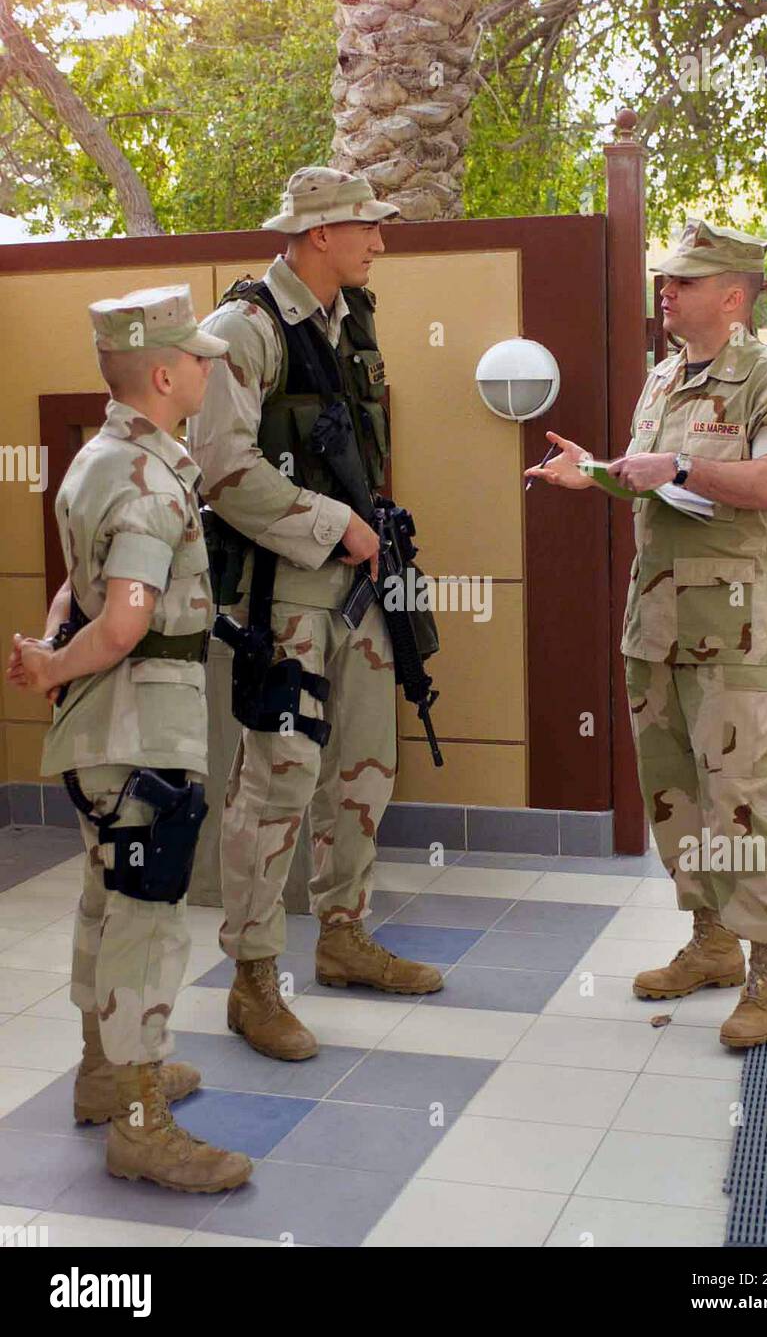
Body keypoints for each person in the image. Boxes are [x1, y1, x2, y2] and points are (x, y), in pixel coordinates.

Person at [525, 219, 767, 1049]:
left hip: (727, 631)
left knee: (738, 801)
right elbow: (651, 484)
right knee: (676, 797)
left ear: (731, 296)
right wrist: (601, 475)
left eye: (683, 282)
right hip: (652, 624)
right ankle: (712, 943)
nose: (666, 292)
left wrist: (683, 468)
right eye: (666, 280)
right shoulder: (662, 379)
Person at [189, 166, 443, 1063]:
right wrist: (336, 526)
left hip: (358, 593)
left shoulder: (351, 320)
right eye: (367, 228)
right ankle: (253, 981)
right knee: (276, 781)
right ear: (320, 233)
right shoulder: (242, 329)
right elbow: (219, 470)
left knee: (364, 766)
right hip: (282, 595)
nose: (380, 240)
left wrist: (373, 530)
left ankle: (343, 935)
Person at [6, 285, 252, 1192]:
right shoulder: (148, 479)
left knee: (107, 899)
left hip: (101, 729)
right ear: (161, 373)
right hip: (142, 724)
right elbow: (119, 620)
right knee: (146, 921)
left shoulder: (97, 459)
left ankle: (105, 1076)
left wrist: (51, 660)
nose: (206, 367)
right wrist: (54, 667)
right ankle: (142, 1128)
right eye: (196, 358)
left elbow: (76, 591)